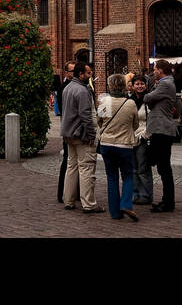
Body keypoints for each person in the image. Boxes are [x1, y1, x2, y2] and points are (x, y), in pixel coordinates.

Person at [96, 72, 142, 222]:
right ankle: (126, 204)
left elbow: (100, 122)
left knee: (112, 177)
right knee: (128, 175)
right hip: (124, 144)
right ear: (124, 86)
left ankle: (115, 212)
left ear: (110, 85)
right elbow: (135, 125)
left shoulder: (105, 102)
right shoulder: (130, 103)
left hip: (107, 144)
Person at [61, 58, 100, 213]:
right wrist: (91, 135)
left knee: (72, 167)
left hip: (69, 133)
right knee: (86, 169)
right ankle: (88, 204)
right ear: (81, 74)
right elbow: (86, 116)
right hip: (81, 135)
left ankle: (68, 200)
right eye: (88, 73)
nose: (90, 76)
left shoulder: (68, 88)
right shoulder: (82, 90)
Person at [144, 58, 179, 214]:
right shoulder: (167, 83)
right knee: (163, 167)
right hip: (161, 128)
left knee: (163, 167)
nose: (153, 71)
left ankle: (168, 202)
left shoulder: (165, 83)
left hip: (162, 129)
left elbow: (148, 98)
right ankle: (167, 201)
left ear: (160, 70)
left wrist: (149, 95)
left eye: (155, 68)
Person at [129, 73, 153, 205]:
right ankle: (134, 193)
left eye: (142, 84)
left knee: (143, 168)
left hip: (143, 137)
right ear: (132, 86)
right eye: (137, 84)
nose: (140, 86)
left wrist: (144, 135)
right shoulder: (129, 100)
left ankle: (146, 194)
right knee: (132, 168)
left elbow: (152, 120)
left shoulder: (149, 99)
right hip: (131, 138)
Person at [56, 61, 76, 203]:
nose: (74, 73)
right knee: (68, 160)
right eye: (72, 71)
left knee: (73, 161)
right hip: (69, 129)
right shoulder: (65, 88)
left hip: (70, 128)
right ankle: (63, 192)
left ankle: (73, 191)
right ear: (67, 73)